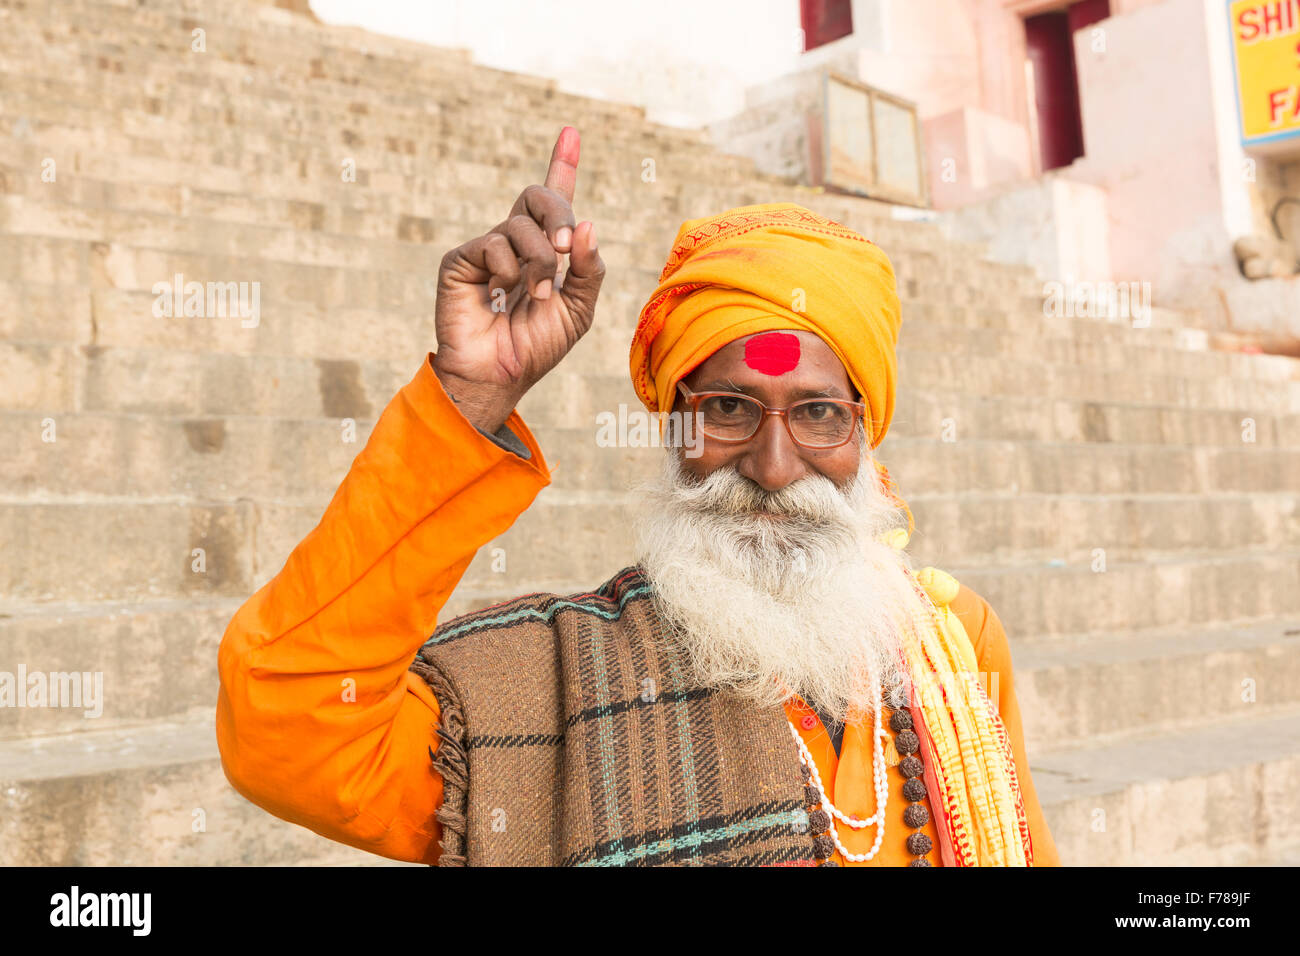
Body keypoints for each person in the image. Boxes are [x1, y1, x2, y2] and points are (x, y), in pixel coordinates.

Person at [216, 126, 1060, 867]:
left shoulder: (959, 644)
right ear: (671, 433)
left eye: (818, 414)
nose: (771, 466)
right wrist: (473, 398)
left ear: (865, 438)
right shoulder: (546, 695)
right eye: (725, 409)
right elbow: (287, 723)